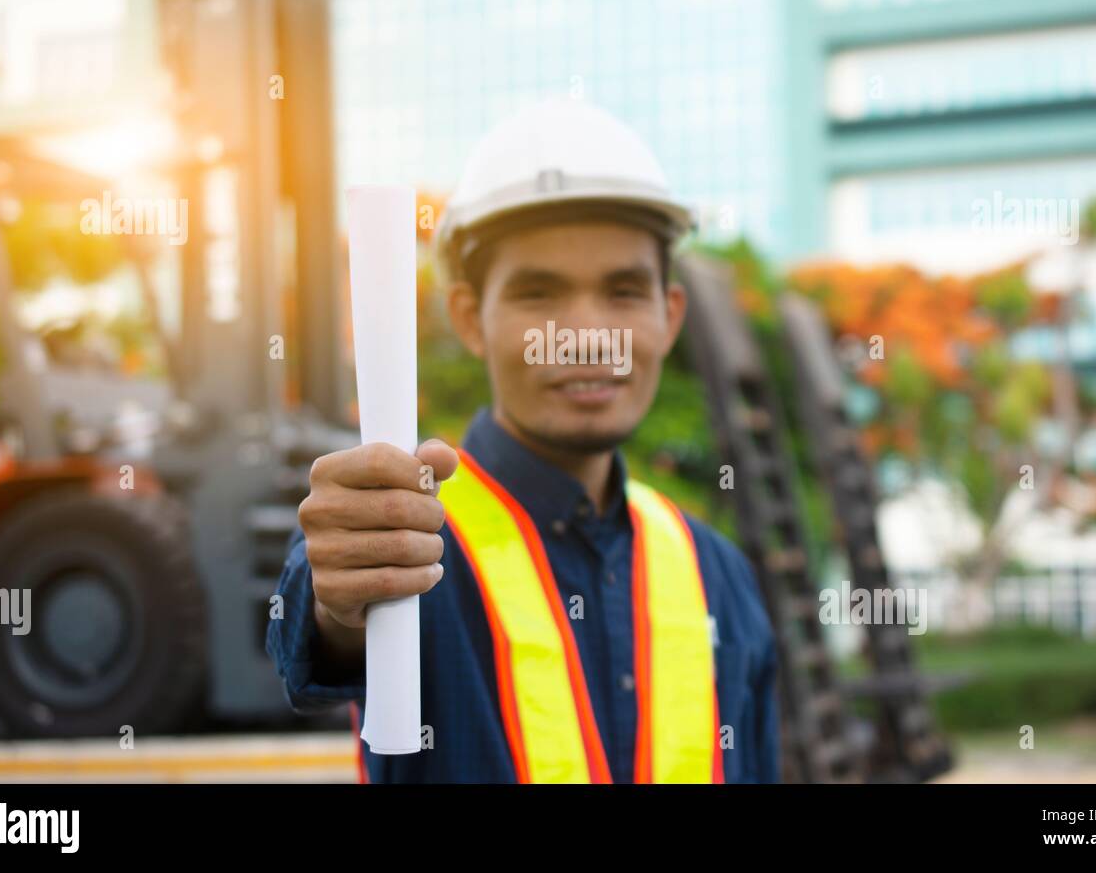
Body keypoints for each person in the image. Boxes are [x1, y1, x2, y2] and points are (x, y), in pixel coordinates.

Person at [267, 97, 780, 783]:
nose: (585, 334)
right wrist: (338, 598)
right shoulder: (407, 538)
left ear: (669, 315)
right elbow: (326, 620)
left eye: (624, 291)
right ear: (470, 319)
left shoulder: (719, 573)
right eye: (539, 294)